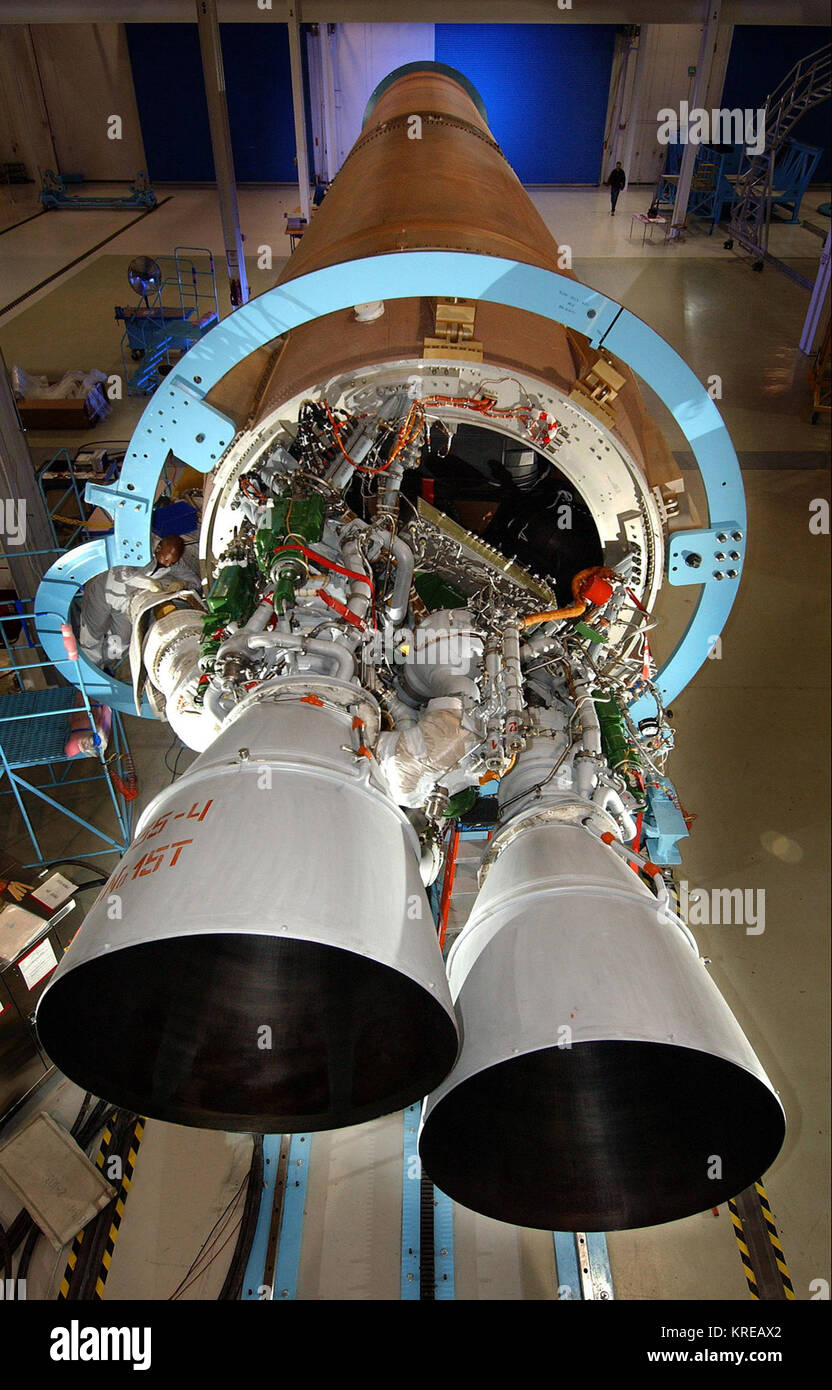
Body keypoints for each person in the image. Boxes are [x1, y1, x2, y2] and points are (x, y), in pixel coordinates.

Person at [79, 535, 198, 672]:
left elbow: (195, 581)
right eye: (166, 560)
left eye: (171, 563)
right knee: (92, 636)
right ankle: (90, 672)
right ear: (158, 548)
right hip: (102, 592)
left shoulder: (172, 562)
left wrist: (183, 583)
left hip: (124, 602)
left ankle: (102, 667)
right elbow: (121, 572)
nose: (167, 565)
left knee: (122, 640)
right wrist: (148, 583)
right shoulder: (139, 546)